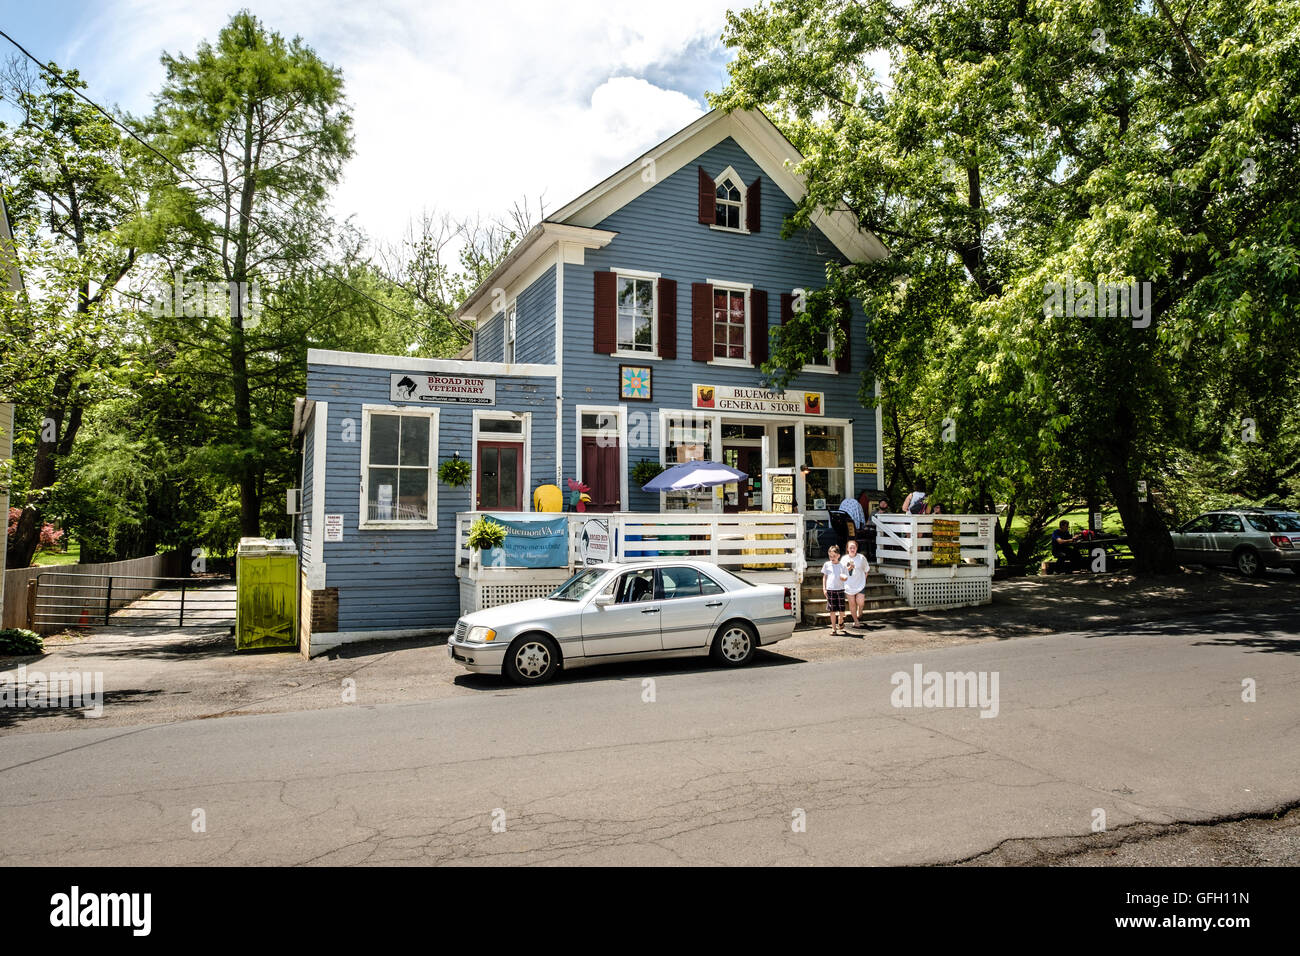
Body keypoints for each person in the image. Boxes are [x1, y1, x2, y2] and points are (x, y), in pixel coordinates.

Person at [841, 539, 869, 628]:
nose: (852, 549)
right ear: (847, 549)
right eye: (850, 547)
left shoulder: (861, 558)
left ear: (856, 548)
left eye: (854, 547)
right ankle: (856, 621)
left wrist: (864, 579)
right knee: (852, 604)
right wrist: (847, 569)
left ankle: (860, 609)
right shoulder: (844, 559)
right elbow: (841, 572)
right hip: (848, 585)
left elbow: (866, 569)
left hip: (860, 584)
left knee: (860, 602)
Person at [822, 545, 849, 635]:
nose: (832, 558)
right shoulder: (827, 565)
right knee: (832, 610)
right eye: (830, 556)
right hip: (830, 590)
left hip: (840, 590)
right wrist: (824, 588)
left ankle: (840, 620)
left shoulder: (842, 566)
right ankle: (834, 629)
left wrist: (844, 578)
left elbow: (845, 577)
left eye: (834, 556)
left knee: (842, 611)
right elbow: (825, 577)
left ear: (838, 556)